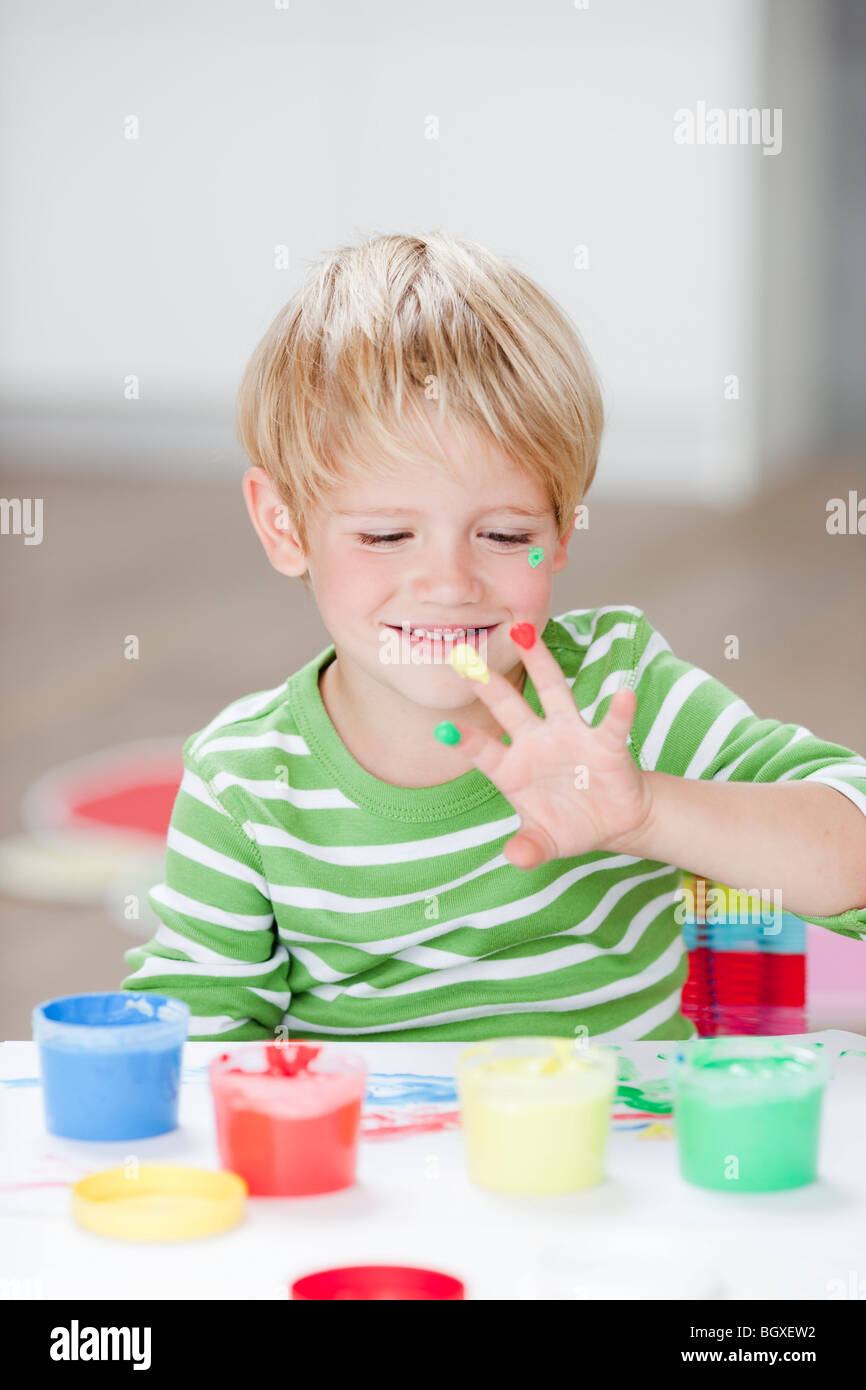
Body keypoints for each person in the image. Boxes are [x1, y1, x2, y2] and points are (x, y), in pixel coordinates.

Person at [121, 232, 866, 1042]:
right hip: (377, 1162)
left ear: (563, 527)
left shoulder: (619, 696)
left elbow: (851, 853)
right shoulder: (245, 781)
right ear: (283, 525)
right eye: (384, 536)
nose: (448, 584)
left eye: (506, 537)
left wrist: (649, 813)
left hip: (624, 1154)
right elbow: (199, 1047)